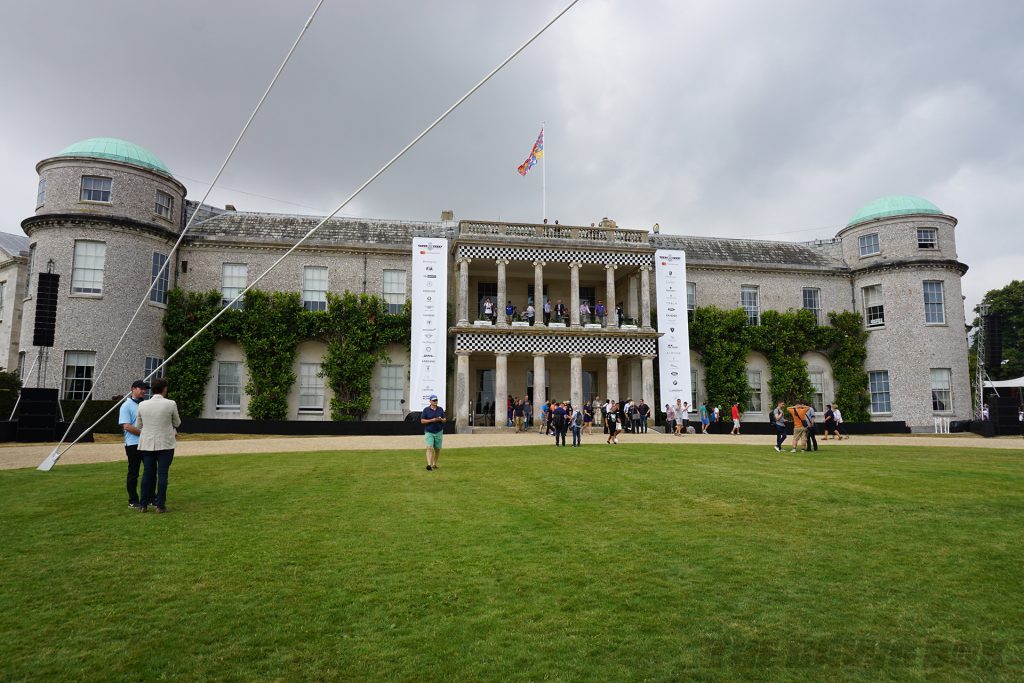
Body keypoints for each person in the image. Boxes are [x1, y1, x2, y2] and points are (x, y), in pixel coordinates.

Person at [137, 378, 182, 513]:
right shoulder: (170, 404)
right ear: (164, 389)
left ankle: (143, 505)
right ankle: (160, 505)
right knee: (162, 474)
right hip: (165, 443)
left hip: (147, 443)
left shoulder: (143, 405)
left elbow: (138, 425)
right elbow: (177, 422)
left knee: (147, 474)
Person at [119, 379, 148, 509]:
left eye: (144, 389)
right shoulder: (126, 405)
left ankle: (150, 497)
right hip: (133, 444)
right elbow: (127, 426)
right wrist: (144, 434)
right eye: (141, 388)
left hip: (146, 443)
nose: (143, 391)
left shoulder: (145, 405)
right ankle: (133, 499)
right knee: (134, 472)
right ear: (133, 389)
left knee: (150, 471)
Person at [420, 394, 445, 470]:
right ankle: (429, 465)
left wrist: (440, 419)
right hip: (429, 431)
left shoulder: (440, 409)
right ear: (430, 401)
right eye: (434, 400)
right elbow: (422, 421)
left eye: (436, 400)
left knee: (437, 449)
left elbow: (445, 420)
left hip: (438, 431)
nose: (435, 401)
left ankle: (434, 464)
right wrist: (432, 420)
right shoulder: (426, 410)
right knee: (429, 447)